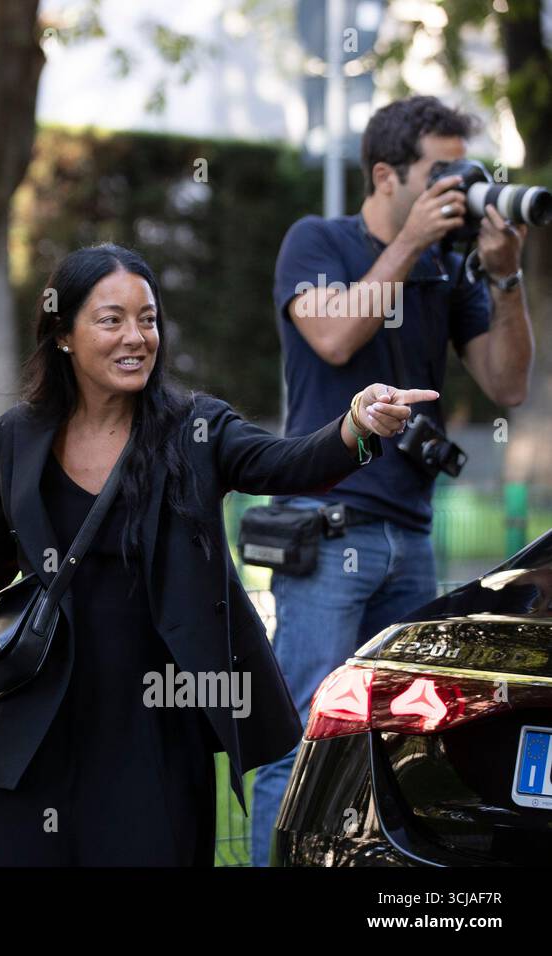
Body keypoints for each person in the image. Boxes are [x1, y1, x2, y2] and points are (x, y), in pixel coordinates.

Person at [0, 243, 436, 865]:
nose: (137, 337)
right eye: (112, 320)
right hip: (36, 731)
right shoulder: (20, 436)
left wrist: (356, 424)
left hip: (154, 732)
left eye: (149, 319)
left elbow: (288, 462)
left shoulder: (196, 427)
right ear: (64, 335)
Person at [249, 95, 534, 867]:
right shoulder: (320, 240)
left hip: (410, 536)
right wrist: (408, 243)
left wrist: (504, 280)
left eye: (463, 169)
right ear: (385, 175)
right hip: (327, 526)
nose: (458, 185)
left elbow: (508, 384)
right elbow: (335, 337)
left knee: (411, 738)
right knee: (301, 734)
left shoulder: (450, 266)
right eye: (441, 171)